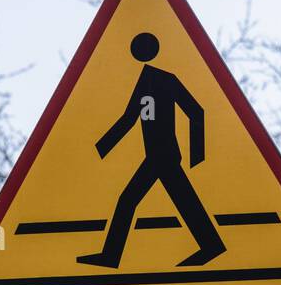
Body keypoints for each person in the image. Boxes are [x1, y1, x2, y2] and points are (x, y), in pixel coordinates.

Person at [77, 32, 227, 270]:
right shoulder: (145, 81)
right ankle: (211, 244)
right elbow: (129, 119)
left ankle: (111, 255)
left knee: (129, 200)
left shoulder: (162, 79)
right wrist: (100, 149)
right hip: (158, 155)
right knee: (182, 200)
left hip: (163, 154)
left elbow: (196, 111)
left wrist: (197, 155)